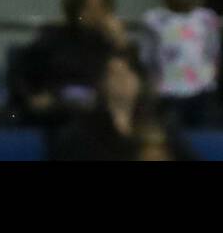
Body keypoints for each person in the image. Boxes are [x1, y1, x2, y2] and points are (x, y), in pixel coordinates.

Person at [9, 0, 137, 129]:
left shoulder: (111, 45)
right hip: (58, 108)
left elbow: (133, 83)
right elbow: (19, 72)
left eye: (101, 7)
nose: (95, 14)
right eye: (88, 7)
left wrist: (121, 44)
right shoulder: (53, 38)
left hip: (99, 110)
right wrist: (31, 98)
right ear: (75, 10)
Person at [52, 53, 195, 161]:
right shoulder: (82, 129)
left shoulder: (160, 123)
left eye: (128, 73)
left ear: (139, 81)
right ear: (102, 83)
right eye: (114, 74)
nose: (122, 79)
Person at [141, 0, 220, 127]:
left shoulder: (206, 18)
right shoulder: (155, 19)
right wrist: (152, 88)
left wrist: (210, 80)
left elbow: (213, 53)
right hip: (167, 91)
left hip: (202, 89)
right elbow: (147, 59)